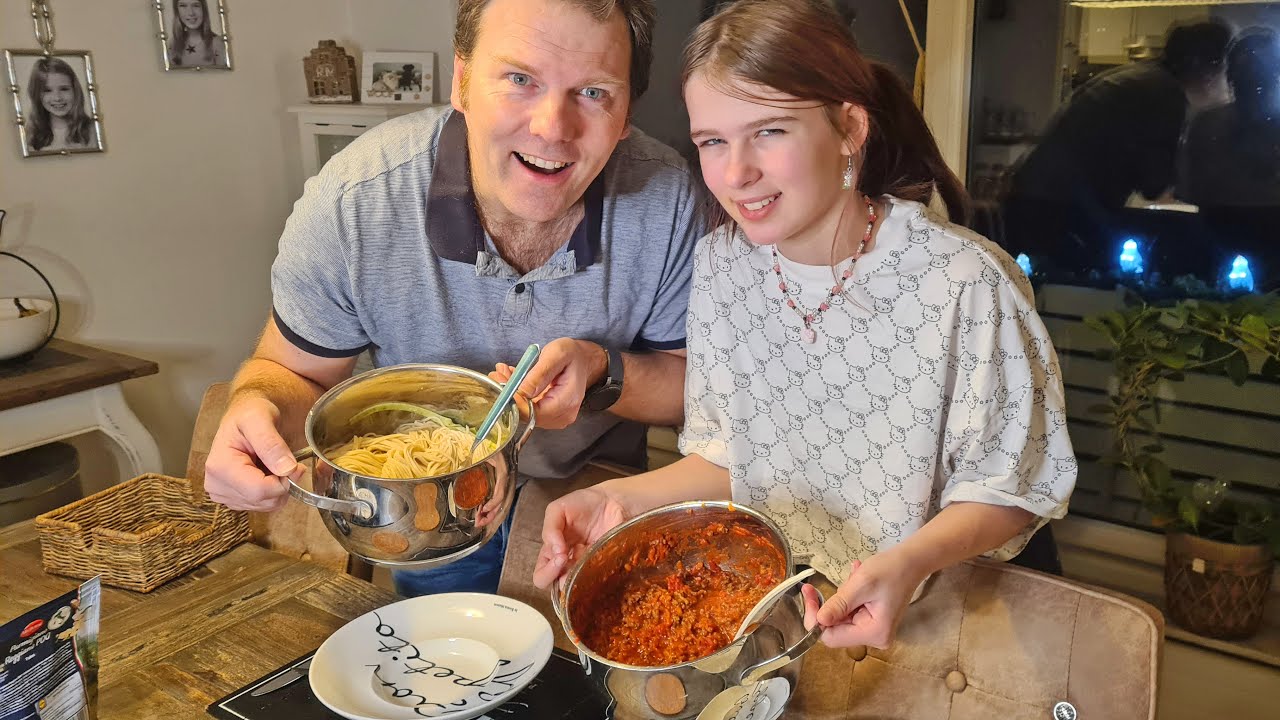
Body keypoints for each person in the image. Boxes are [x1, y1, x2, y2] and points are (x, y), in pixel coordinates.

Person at [533, 0, 1077, 651]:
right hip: (799, 599)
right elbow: (733, 454)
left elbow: (1015, 486)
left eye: (770, 132)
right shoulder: (724, 262)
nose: (736, 173)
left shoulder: (963, 282)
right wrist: (620, 503)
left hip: (954, 606)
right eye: (712, 142)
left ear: (848, 126)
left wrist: (908, 560)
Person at [203, 0, 700, 598]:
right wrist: (253, 407)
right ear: (461, 81)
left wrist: (603, 371)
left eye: (594, 92)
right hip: (432, 513)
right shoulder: (356, 201)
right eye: (520, 79)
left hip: (598, 497)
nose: (552, 128)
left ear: (626, 113)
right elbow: (289, 372)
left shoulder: (671, 200)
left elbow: (693, 389)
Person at [1001, 20, 1231, 277]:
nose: (1228, 85)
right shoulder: (1166, 95)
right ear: (1211, 70)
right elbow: (1154, 185)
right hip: (1060, 208)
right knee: (1081, 290)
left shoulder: (1144, 79)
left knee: (1045, 293)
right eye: (1226, 73)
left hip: (1038, 198)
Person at [26, 57, 96, 153]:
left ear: (75, 90)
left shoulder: (93, 131)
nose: (57, 98)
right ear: (36, 94)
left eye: (64, 89)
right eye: (47, 91)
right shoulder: (29, 136)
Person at [170, 0, 223, 68]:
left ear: (203, 9)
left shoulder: (218, 43)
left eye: (196, 6)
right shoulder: (172, 44)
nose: (191, 13)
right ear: (177, 11)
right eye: (183, 6)